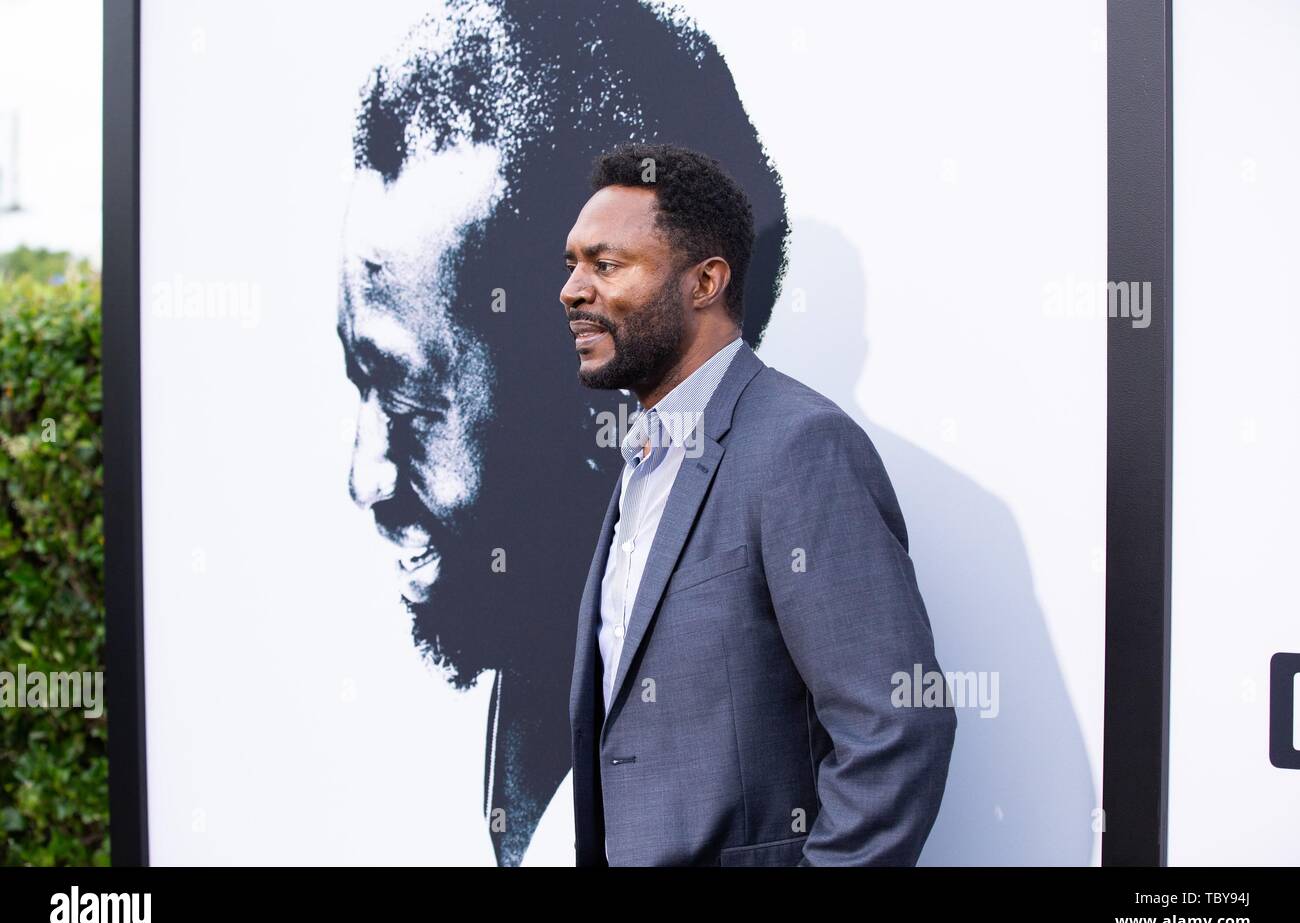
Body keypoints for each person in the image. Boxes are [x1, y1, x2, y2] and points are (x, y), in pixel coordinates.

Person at [337, 0, 789, 864]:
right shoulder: (525, 674)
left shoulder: (796, 457)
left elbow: (891, 735)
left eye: (404, 397)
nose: (367, 477)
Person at [563, 143, 957, 866]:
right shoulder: (645, 461)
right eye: (572, 265)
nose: (573, 290)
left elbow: (898, 726)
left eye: (606, 265)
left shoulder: (799, 448)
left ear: (706, 280)